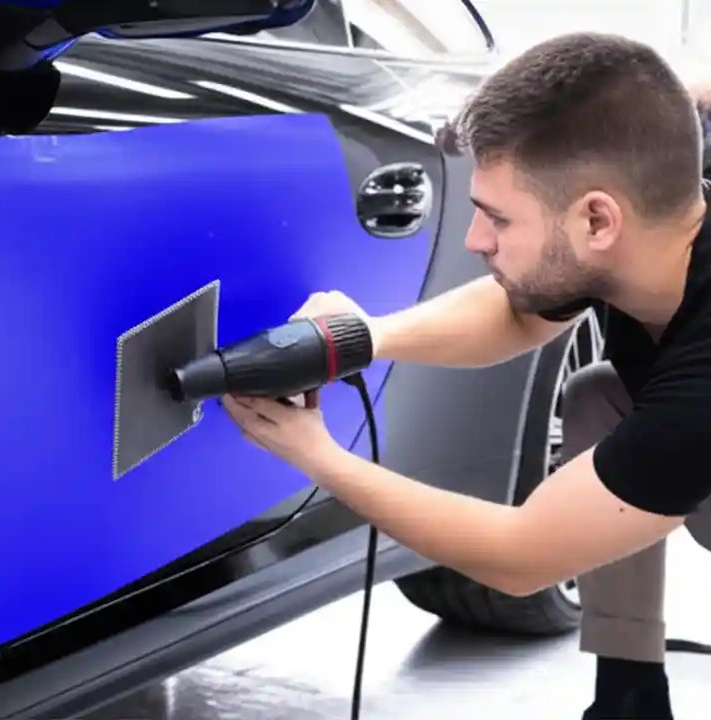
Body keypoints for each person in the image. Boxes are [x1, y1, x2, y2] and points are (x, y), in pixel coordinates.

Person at [220, 32, 711, 720]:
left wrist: (320, 457)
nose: (475, 242)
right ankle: (629, 693)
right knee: (598, 395)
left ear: (598, 219)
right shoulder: (657, 215)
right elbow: (517, 312)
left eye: (498, 219)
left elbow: (522, 555)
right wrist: (364, 338)